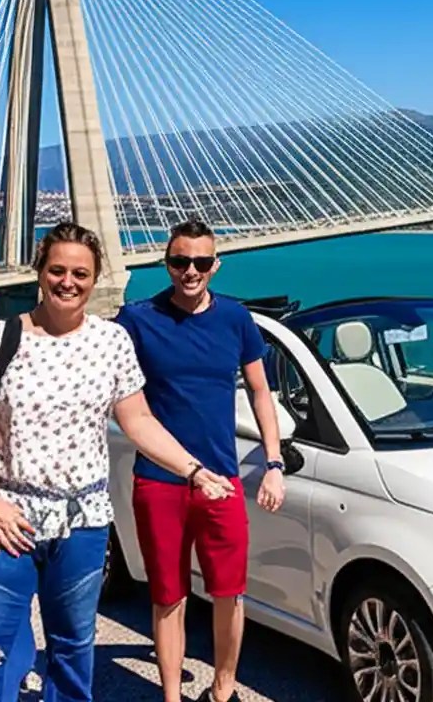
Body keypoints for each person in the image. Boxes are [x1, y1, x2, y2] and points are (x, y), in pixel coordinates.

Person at [0, 222, 236, 702]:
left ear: (95, 277)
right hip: (7, 517)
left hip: (83, 524)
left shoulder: (111, 343)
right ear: (40, 273)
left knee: (72, 653)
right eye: (58, 270)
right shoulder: (3, 338)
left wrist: (192, 468)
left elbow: (139, 420)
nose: (68, 282)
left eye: (80, 273)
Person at [114, 219, 286, 702]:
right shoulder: (137, 319)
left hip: (222, 480)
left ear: (216, 265)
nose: (190, 271)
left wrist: (273, 464)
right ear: (166, 263)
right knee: (168, 596)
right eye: (180, 261)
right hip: (158, 480)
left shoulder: (235, 318)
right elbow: (100, 375)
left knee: (230, 592)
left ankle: (223, 688)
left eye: (201, 262)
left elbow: (260, 391)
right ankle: (170, 695)